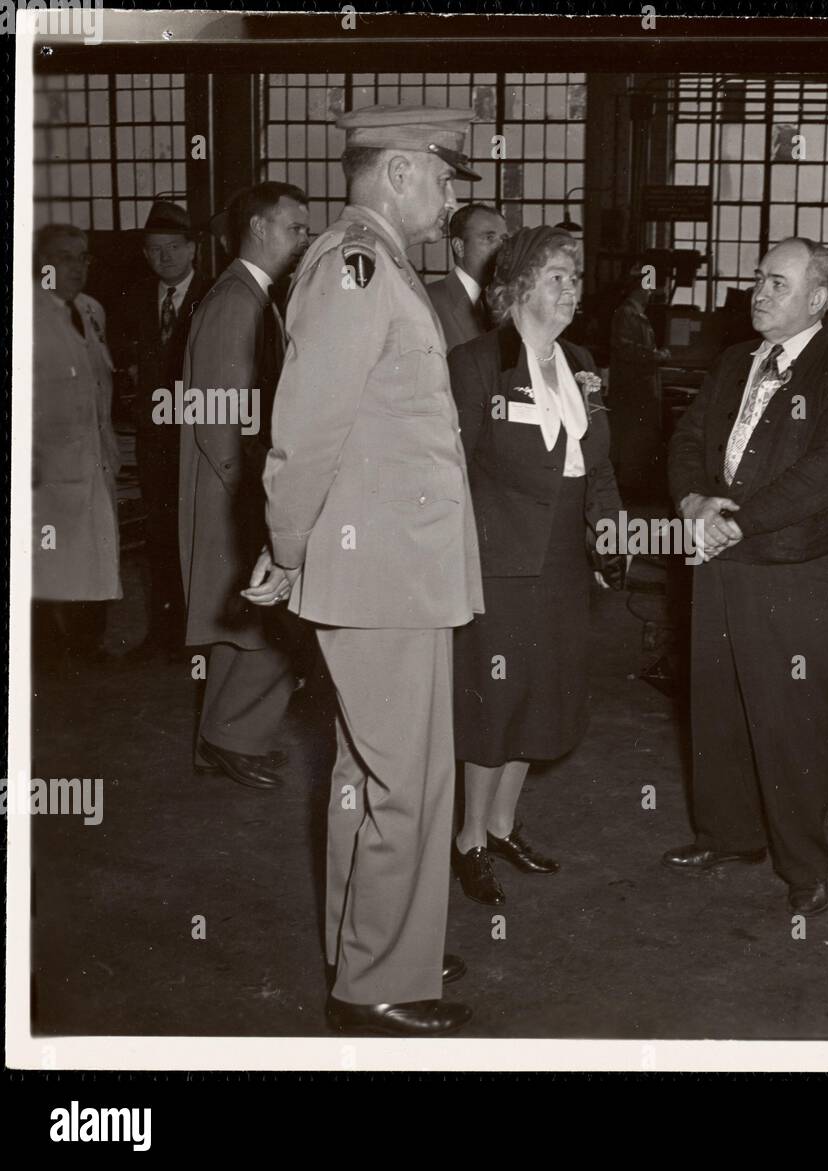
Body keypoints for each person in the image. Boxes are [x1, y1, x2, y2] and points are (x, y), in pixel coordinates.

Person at [262, 104, 483, 1037]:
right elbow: (303, 431)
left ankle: (373, 945)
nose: (449, 194)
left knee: (366, 773)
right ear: (397, 171)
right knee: (406, 780)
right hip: (382, 575)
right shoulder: (357, 269)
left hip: (390, 569)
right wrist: (282, 547)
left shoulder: (378, 264)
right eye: (442, 175)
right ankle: (378, 984)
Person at [661, 237, 828, 917]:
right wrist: (693, 500)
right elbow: (687, 440)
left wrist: (739, 521)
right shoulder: (733, 363)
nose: (758, 293)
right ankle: (728, 836)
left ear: (818, 298)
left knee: (791, 719)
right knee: (718, 705)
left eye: (777, 284)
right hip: (721, 560)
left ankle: (804, 865)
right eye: (759, 279)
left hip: (797, 570)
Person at [447, 225, 623, 906]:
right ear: (517, 285)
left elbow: (597, 460)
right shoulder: (477, 363)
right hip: (499, 562)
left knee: (542, 696)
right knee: (495, 704)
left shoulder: (581, 360)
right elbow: (453, 469)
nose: (572, 289)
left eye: (576, 278)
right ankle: (469, 839)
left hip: (563, 563)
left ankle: (501, 823)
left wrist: (609, 527)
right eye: (557, 275)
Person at [178, 182, 310, 791]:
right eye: (294, 227)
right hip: (236, 489)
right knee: (266, 622)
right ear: (258, 228)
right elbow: (215, 415)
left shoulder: (256, 297)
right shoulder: (237, 301)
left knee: (245, 622)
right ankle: (231, 738)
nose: (302, 238)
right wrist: (250, 503)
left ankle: (226, 740)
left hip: (244, 486)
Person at [116, 200, 211, 658]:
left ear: (193, 248)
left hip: (201, 439)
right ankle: (164, 631)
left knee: (202, 535)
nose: (164, 258)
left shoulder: (214, 296)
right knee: (159, 536)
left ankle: (203, 636)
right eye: (154, 250)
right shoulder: (134, 299)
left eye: (174, 247)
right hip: (154, 443)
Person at [31, 223, 122, 669]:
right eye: (64, 256)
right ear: (41, 262)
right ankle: (44, 652)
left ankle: (88, 645)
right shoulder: (27, 314)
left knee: (95, 554)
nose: (77, 267)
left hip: (93, 459)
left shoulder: (91, 311)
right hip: (43, 466)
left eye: (83, 257)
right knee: (44, 559)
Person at [608, 267, 673, 500]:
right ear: (639, 290)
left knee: (639, 440)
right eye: (647, 289)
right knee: (631, 440)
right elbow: (626, 348)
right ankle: (628, 489)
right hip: (632, 390)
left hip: (642, 390)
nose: (650, 294)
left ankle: (633, 484)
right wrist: (656, 356)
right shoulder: (626, 314)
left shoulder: (637, 315)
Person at [425, 202, 507, 348]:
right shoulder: (429, 302)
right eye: (489, 238)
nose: (501, 248)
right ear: (459, 247)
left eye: (504, 240)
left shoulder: (504, 301)